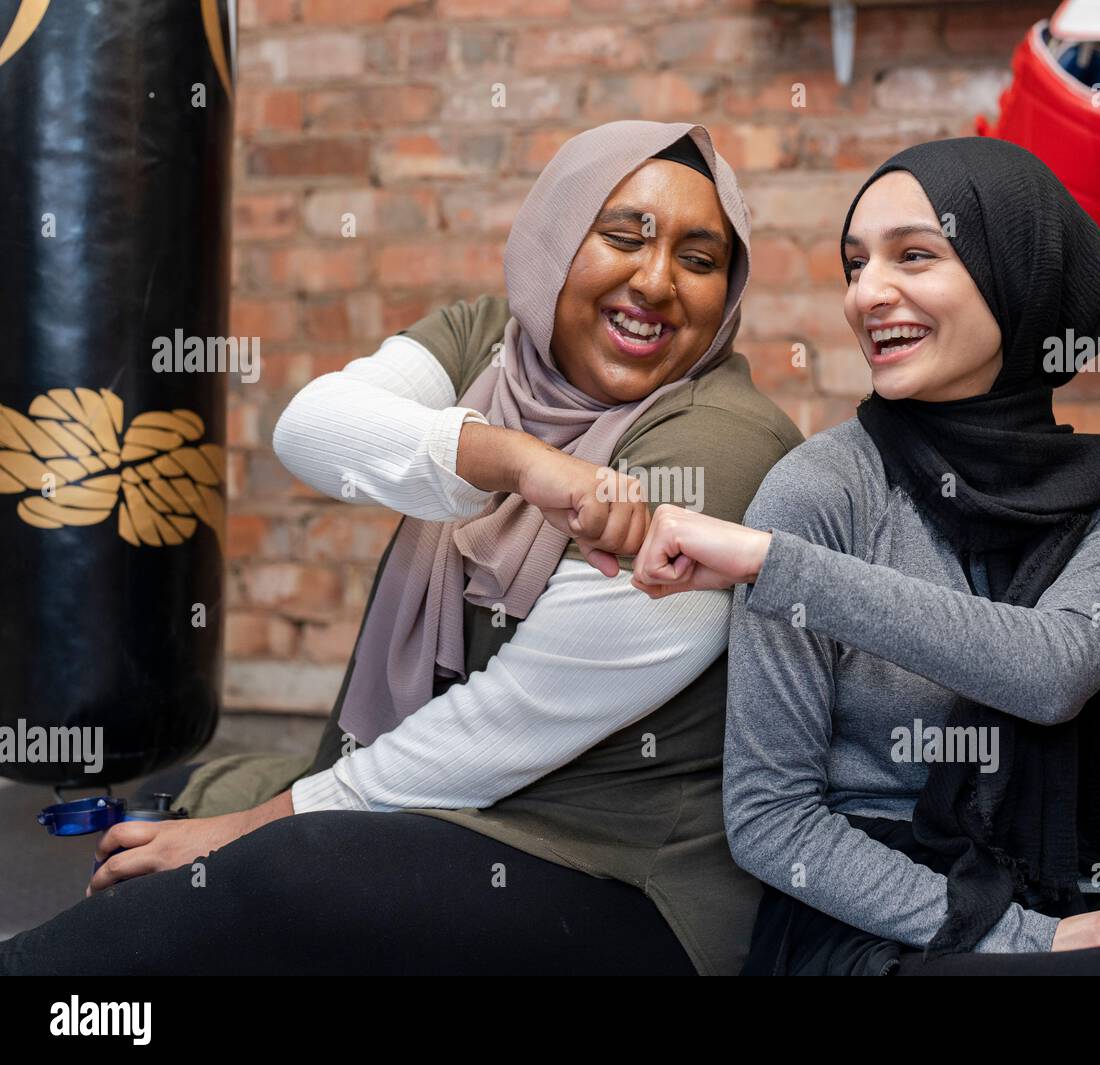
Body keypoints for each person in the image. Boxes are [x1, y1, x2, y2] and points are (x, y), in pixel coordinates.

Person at [0, 121, 803, 976]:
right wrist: (523, 463)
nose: (655, 282)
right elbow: (312, 427)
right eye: (623, 237)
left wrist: (245, 834)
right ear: (559, 236)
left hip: (614, 875)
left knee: (273, 867)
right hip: (453, 816)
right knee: (190, 821)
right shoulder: (491, 345)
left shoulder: (721, 445)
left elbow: (504, 725)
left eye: (700, 259)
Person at [628, 137, 1100, 976]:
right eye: (854, 265)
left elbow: (1050, 667)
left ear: (1016, 272)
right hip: (873, 912)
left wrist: (776, 564)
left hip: (1045, 874)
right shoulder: (818, 491)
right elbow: (771, 820)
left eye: (914, 255)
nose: (869, 293)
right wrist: (1030, 940)